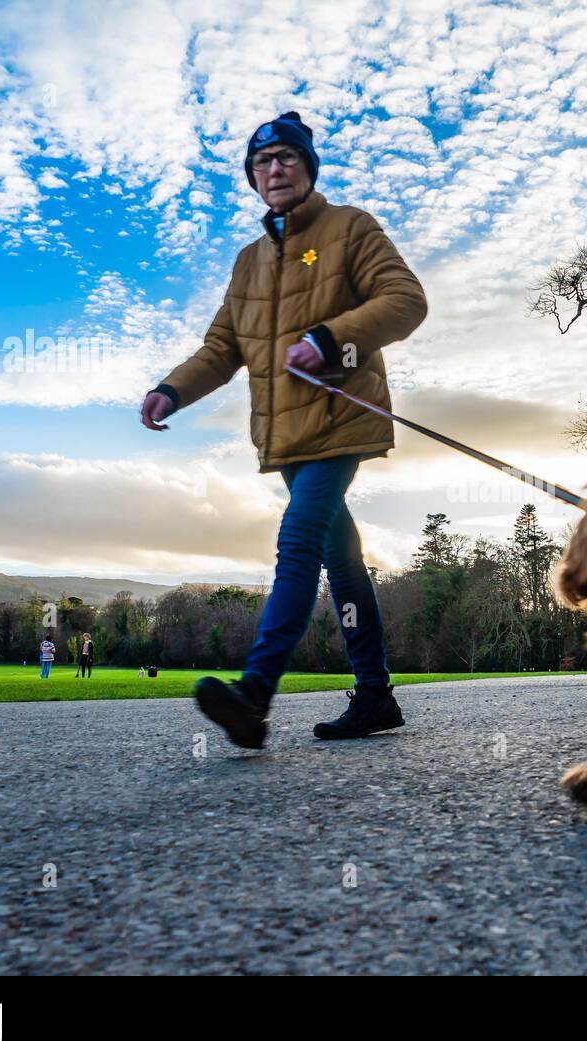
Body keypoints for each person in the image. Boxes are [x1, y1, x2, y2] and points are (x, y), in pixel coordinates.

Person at [140, 112, 428, 749]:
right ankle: (376, 698)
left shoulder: (348, 227)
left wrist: (330, 339)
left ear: (308, 166)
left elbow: (406, 299)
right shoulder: (248, 264)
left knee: (297, 543)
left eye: (287, 158)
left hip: (341, 420)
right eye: (262, 161)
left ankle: (255, 695)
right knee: (343, 562)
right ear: (252, 177)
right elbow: (222, 347)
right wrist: (171, 390)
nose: (275, 169)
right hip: (286, 439)